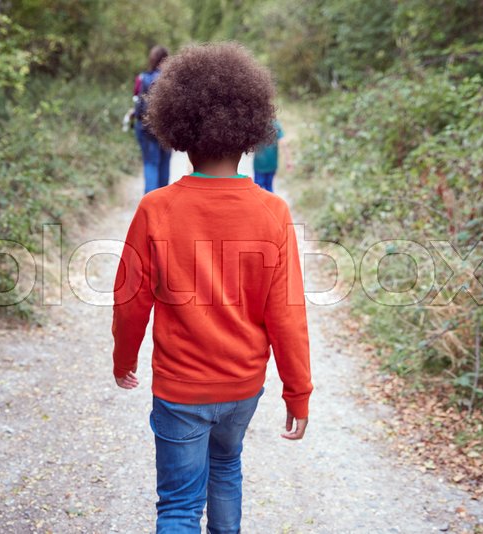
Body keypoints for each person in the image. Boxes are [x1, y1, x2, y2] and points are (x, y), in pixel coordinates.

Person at [111, 43, 312, 534]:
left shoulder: (156, 209)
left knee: (179, 507)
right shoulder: (272, 212)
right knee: (226, 467)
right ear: (250, 133)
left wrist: (124, 358)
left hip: (180, 388)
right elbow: (286, 314)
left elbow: (130, 299)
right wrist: (297, 391)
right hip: (243, 387)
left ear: (178, 131)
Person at [133, 45, 171, 194]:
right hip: (166, 129)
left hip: (146, 128)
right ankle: (162, 201)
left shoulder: (142, 78)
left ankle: (150, 202)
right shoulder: (171, 79)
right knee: (164, 165)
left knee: (151, 163)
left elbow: (136, 100)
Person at [252, 119, 289, 192]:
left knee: (257, 190)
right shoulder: (276, 124)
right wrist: (288, 160)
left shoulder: (257, 123)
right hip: (272, 163)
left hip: (259, 164)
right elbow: (283, 143)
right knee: (269, 188)